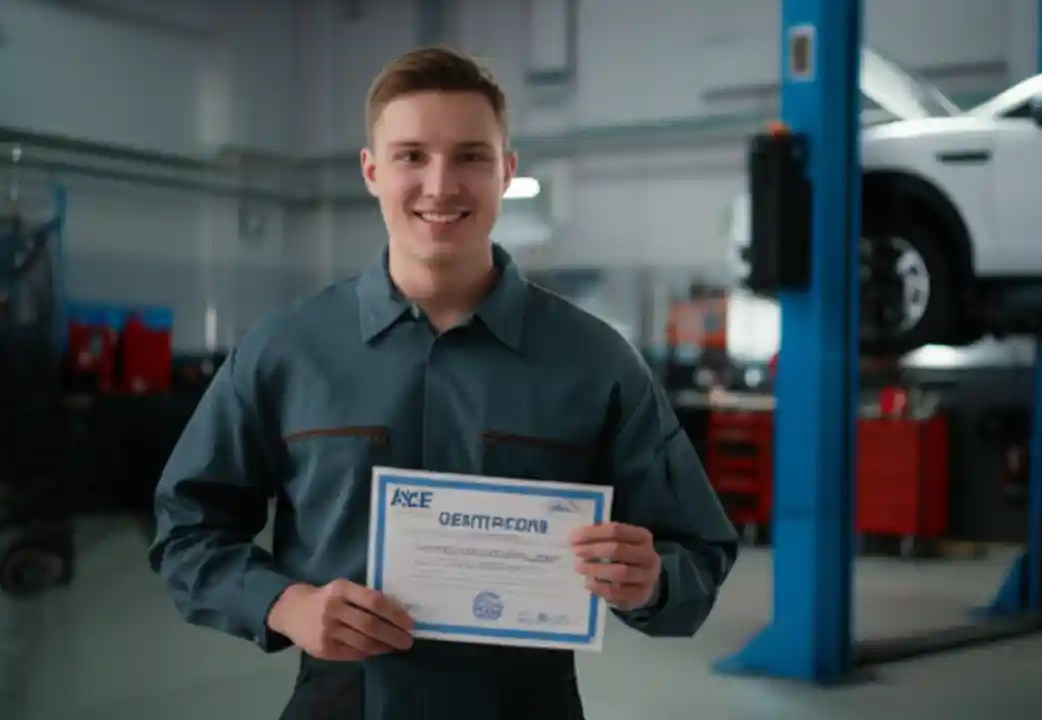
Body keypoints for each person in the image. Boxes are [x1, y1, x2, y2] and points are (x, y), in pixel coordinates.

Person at [148, 46, 739, 719]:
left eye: (470, 156)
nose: (440, 185)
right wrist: (285, 604)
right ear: (371, 171)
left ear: (506, 172)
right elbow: (187, 532)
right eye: (410, 156)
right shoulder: (285, 351)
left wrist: (653, 582)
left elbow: (698, 549)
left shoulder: (595, 362)